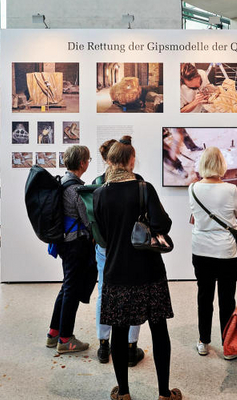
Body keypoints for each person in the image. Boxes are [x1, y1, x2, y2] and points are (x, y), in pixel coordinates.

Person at [93, 138, 182, 400]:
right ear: (131, 160)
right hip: (148, 270)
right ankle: (164, 393)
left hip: (117, 270)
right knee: (159, 330)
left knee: (119, 332)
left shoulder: (99, 194)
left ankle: (123, 393)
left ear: (110, 161)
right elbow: (163, 224)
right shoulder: (144, 189)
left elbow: (103, 235)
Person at [91, 137, 145, 366]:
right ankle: (131, 347)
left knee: (104, 292)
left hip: (105, 247)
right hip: (132, 247)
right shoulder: (138, 182)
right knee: (134, 293)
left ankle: (104, 345)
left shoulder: (98, 183)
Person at [188, 147, 237, 357]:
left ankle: (203, 341)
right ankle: (228, 345)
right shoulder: (230, 189)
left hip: (200, 248)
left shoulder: (193, 188)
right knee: (227, 299)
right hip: (226, 250)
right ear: (221, 164)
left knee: (204, 296)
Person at [46, 145, 97, 354]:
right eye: (88, 160)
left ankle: (53, 333)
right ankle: (65, 339)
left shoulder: (62, 182)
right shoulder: (76, 189)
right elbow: (87, 220)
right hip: (76, 244)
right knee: (71, 290)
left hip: (64, 242)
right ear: (83, 163)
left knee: (67, 287)